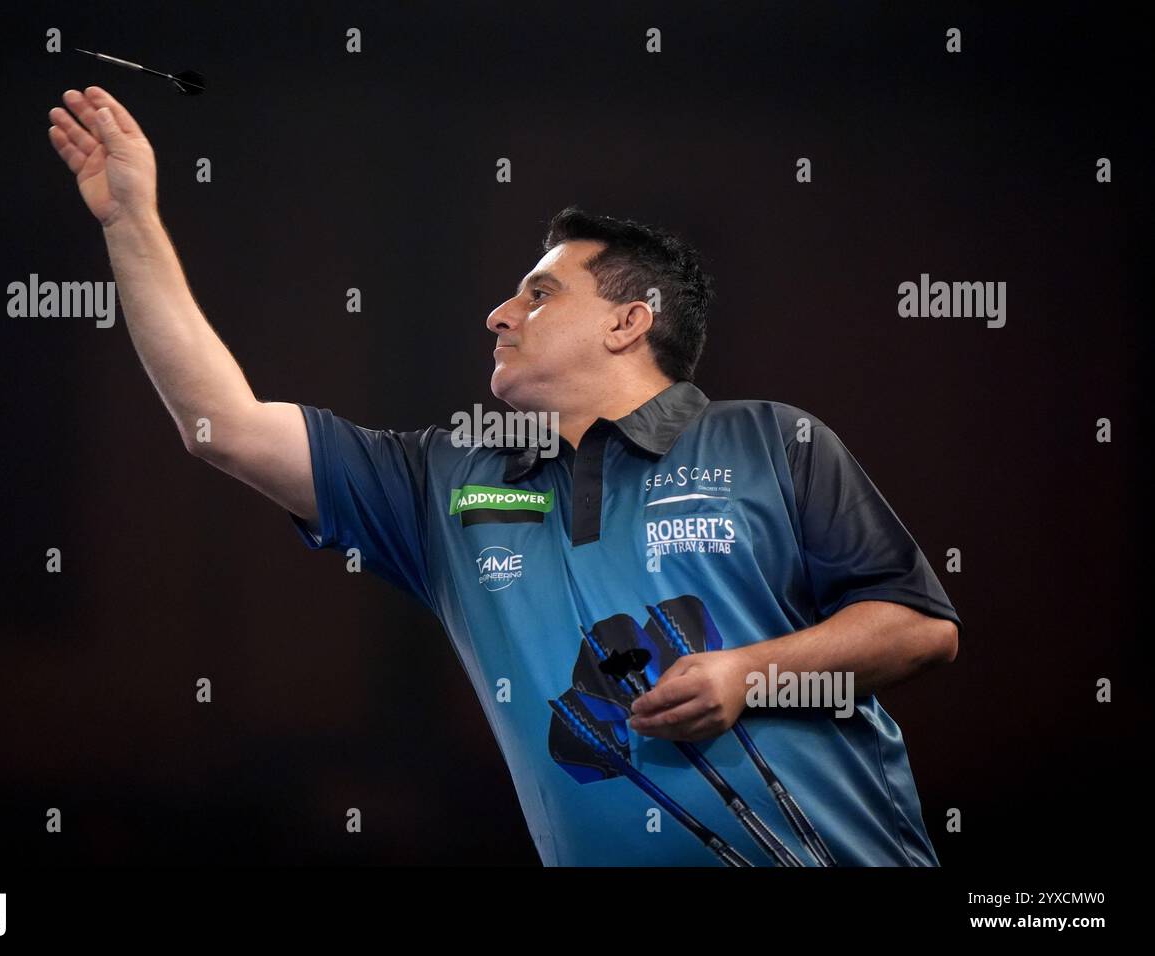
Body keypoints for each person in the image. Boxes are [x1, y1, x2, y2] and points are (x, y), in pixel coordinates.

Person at [47, 86, 961, 866]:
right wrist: (131, 222)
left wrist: (752, 674)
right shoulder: (444, 481)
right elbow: (226, 430)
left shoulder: (772, 441)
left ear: (628, 323)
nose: (498, 313)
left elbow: (919, 630)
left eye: (539, 292)